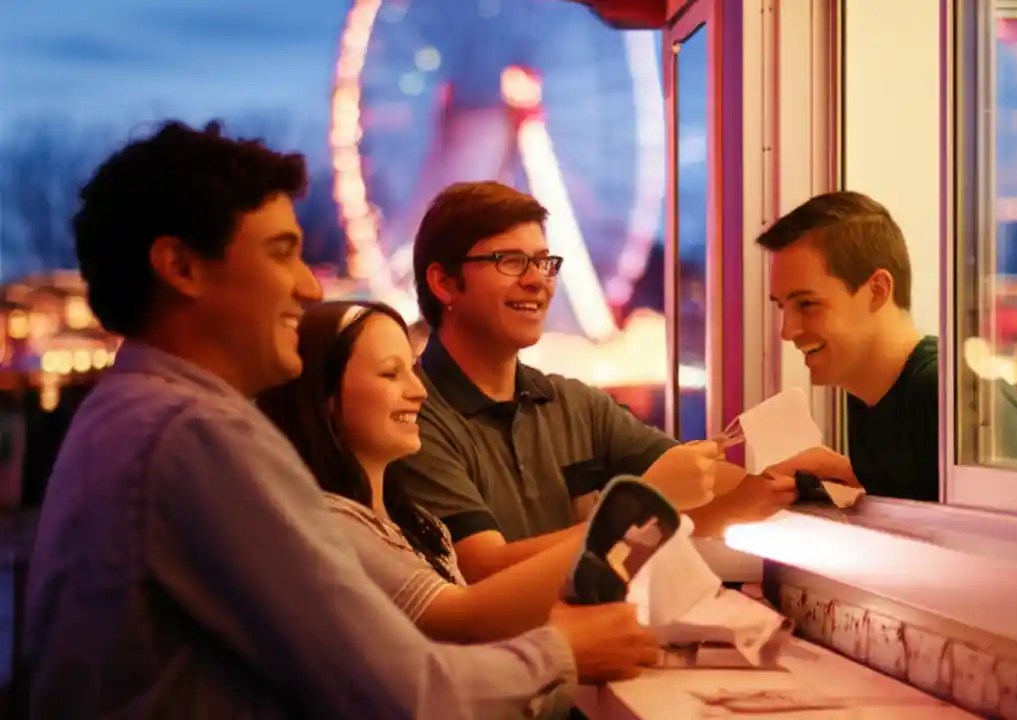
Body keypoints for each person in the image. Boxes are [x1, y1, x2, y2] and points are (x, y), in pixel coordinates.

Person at [23, 121, 656, 719]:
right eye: (282, 253)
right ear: (182, 268)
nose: (306, 286)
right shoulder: (196, 437)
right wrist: (562, 652)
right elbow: (399, 693)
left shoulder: (117, 417)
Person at [391, 181, 852, 584]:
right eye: (511, 261)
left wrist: (788, 480)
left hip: (584, 658)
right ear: (445, 284)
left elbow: (706, 493)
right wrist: (644, 502)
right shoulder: (411, 416)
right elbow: (484, 571)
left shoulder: (572, 404)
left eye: (544, 262)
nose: (539, 282)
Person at [258, 299, 709, 645]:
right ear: (326, 400)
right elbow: (464, 620)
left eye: (411, 371)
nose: (417, 391)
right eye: (390, 374)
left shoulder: (414, 523)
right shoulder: (335, 525)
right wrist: (637, 505)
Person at [758, 191, 1017, 502]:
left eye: (808, 304)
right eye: (782, 307)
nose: (787, 331)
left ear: (877, 291)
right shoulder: (869, 398)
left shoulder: (948, 397)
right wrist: (846, 474)